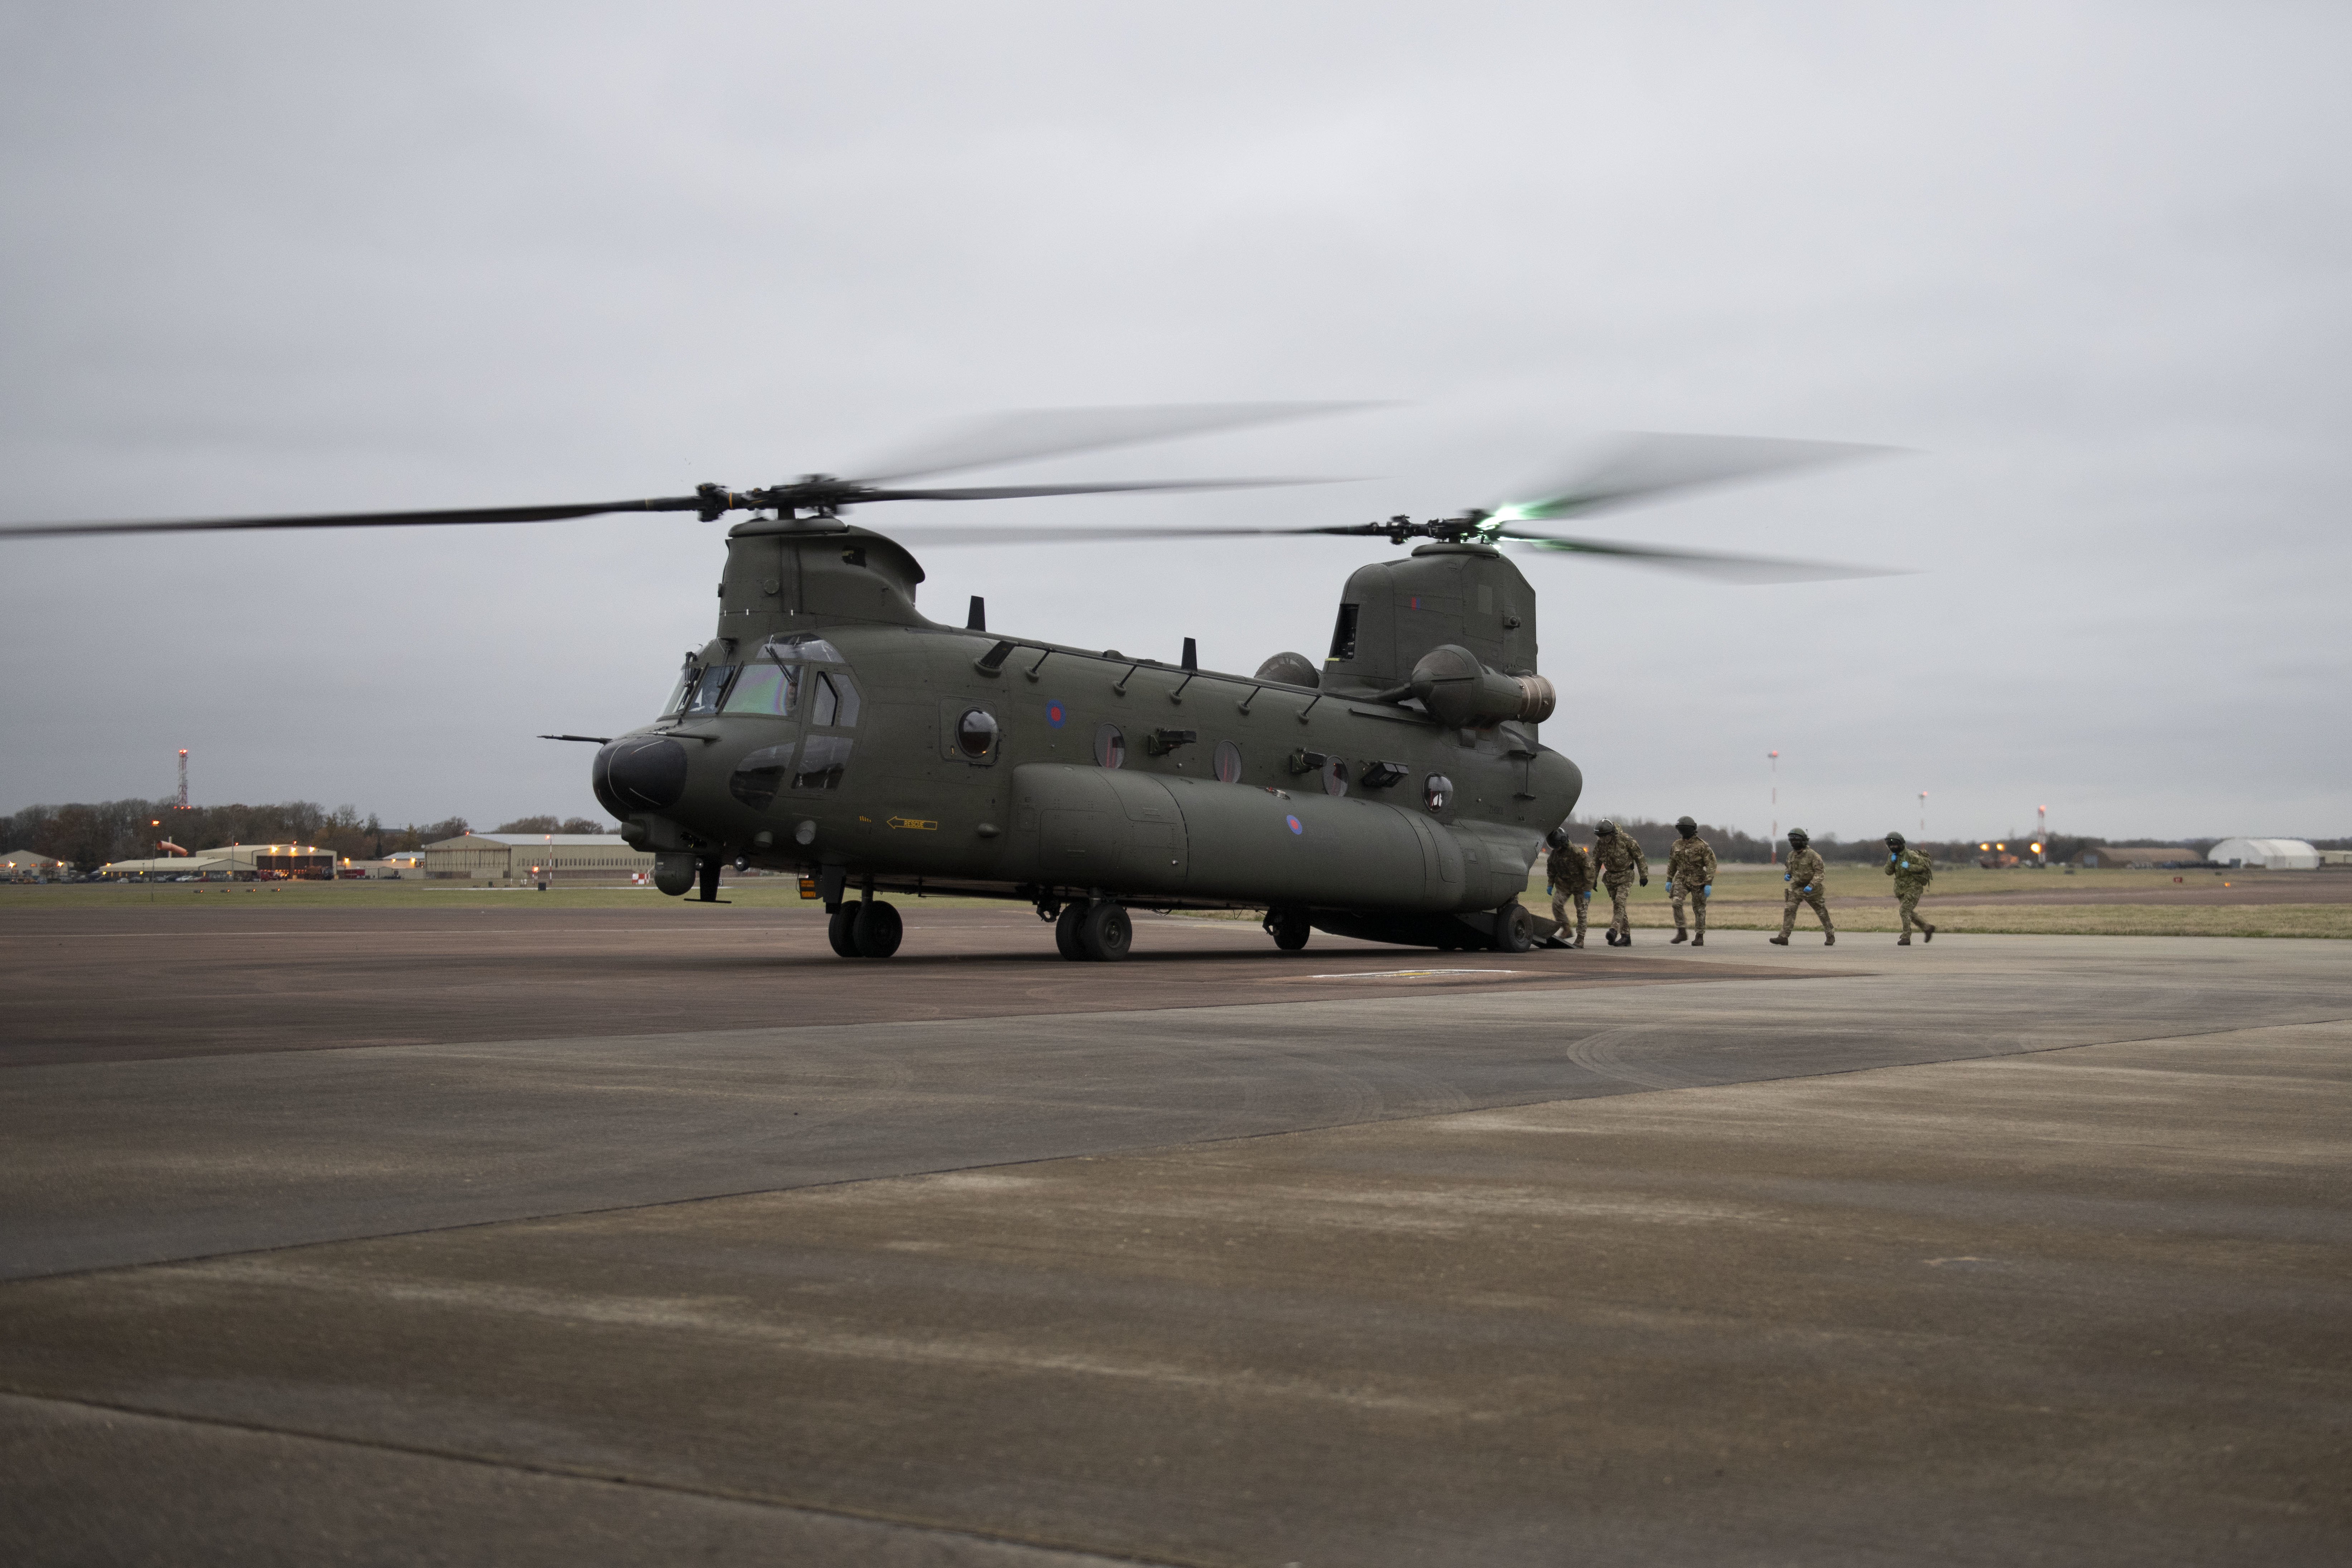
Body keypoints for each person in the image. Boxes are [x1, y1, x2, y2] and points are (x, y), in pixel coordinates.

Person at [1767, 827, 1834, 946]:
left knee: (1822, 912)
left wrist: (1811, 885)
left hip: (1813, 890)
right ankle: (1783, 937)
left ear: (1803, 841)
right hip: (1797, 888)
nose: (1794, 842)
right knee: (1789, 909)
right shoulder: (1791, 856)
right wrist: (1788, 874)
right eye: (1792, 840)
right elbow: (1789, 868)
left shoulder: (1813, 856)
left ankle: (1830, 935)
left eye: (1796, 840)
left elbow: (1820, 873)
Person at [1591, 819, 1648, 946]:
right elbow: (1596, 862)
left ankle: (1614, 930)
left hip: (1626, 875)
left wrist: (1644, 875)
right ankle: (1626, 937)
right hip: (1611, 878)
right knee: (1619, 907)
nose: (1603, 839)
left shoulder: (1626, 840)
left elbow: (1640, 857)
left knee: (1620, 902)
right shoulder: (1600, 844)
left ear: (1612, 833)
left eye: (1605, 836)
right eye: (1600, 837)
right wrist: (1592, 879)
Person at [1666, 815, 1717, 946]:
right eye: (1680, 829)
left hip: (1699, 879)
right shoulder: (1676, 844)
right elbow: (1672, 863)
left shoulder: (1702, 845)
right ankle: (1682, 931)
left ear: (1693, 829)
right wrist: (1669, 879)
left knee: (1699, 909)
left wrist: (1709, 882)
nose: (1683, 832)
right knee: (1676, 903)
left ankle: (1700, 935)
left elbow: (1712, 864)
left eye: (1685, 829)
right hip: (1681, 878)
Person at [1544, 826, 1595, 949]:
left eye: (1557, 846)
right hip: (1564, 886)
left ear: (1563, 842)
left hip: (1581, 887)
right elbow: (1551, 870)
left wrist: (1588, 889)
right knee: (1557, 905)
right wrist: (1550, 885)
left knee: (1581, 912)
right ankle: (1567, 929)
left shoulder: (1578, 853)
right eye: (1554, 847)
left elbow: (1590, 870)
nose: (1556, 849)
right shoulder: (1555, 855)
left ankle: (1580, 938)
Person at [1884, 831, 1936, 944]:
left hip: (1914, 887)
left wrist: (1910, 867)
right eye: (1891, 845)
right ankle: (1928, 928)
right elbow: (1888, 872)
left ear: (1901, 844)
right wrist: (1892, 862)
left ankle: (1906, 937)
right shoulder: (1892, 856)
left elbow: (1924, 866)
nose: (1893, 847)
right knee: (1908, 913)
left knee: (1904, 910)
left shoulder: (1910, 855)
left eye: (1895, 845)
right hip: (1900, 888)